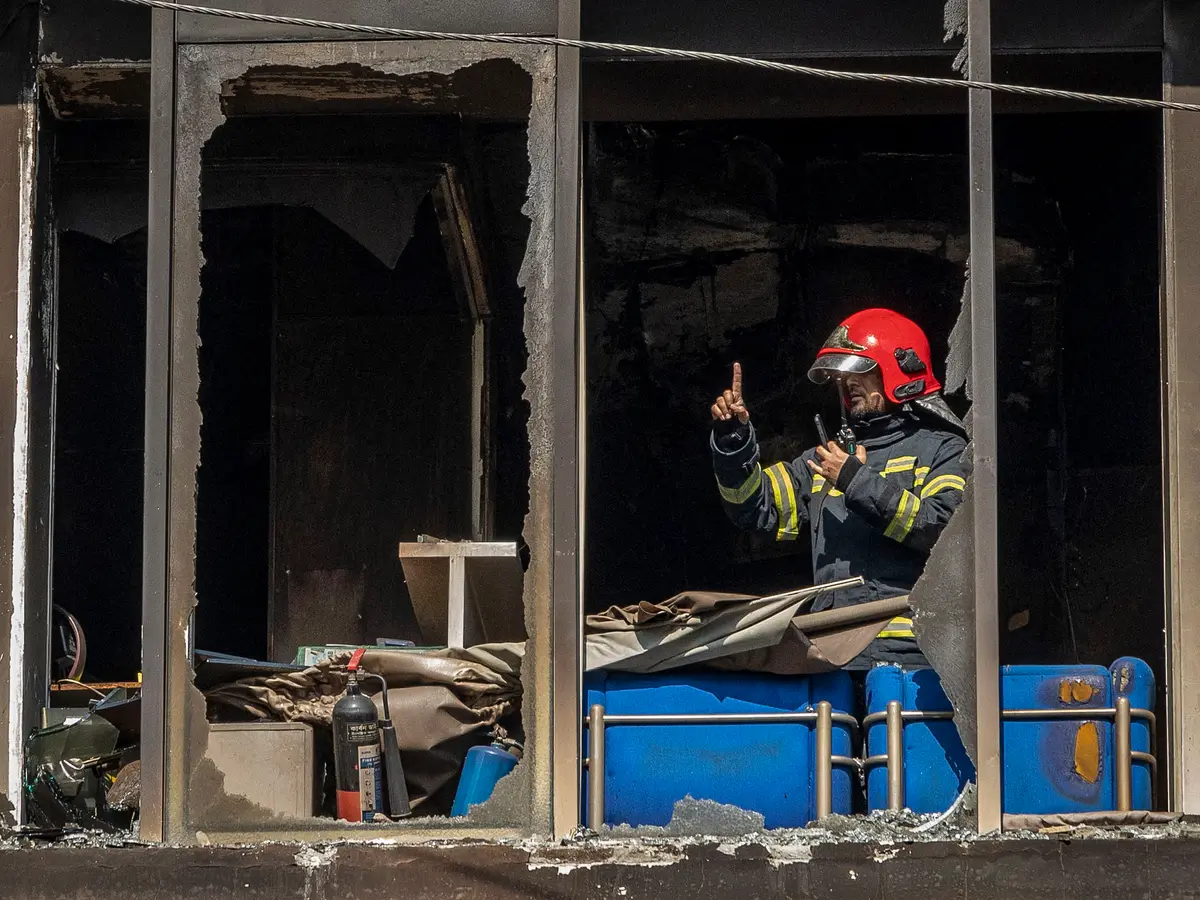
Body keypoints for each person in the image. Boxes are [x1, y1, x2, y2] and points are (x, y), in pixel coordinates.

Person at [709, 308, 969, 667]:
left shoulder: (942, 449)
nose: (846, 383)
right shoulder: (825, 460)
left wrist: (854, 480)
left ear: (898, 370)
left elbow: (944, 532)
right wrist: (733, 440)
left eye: (859, 371)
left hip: (914, 664)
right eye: (840, 376)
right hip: (834, 656)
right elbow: (754, 509)